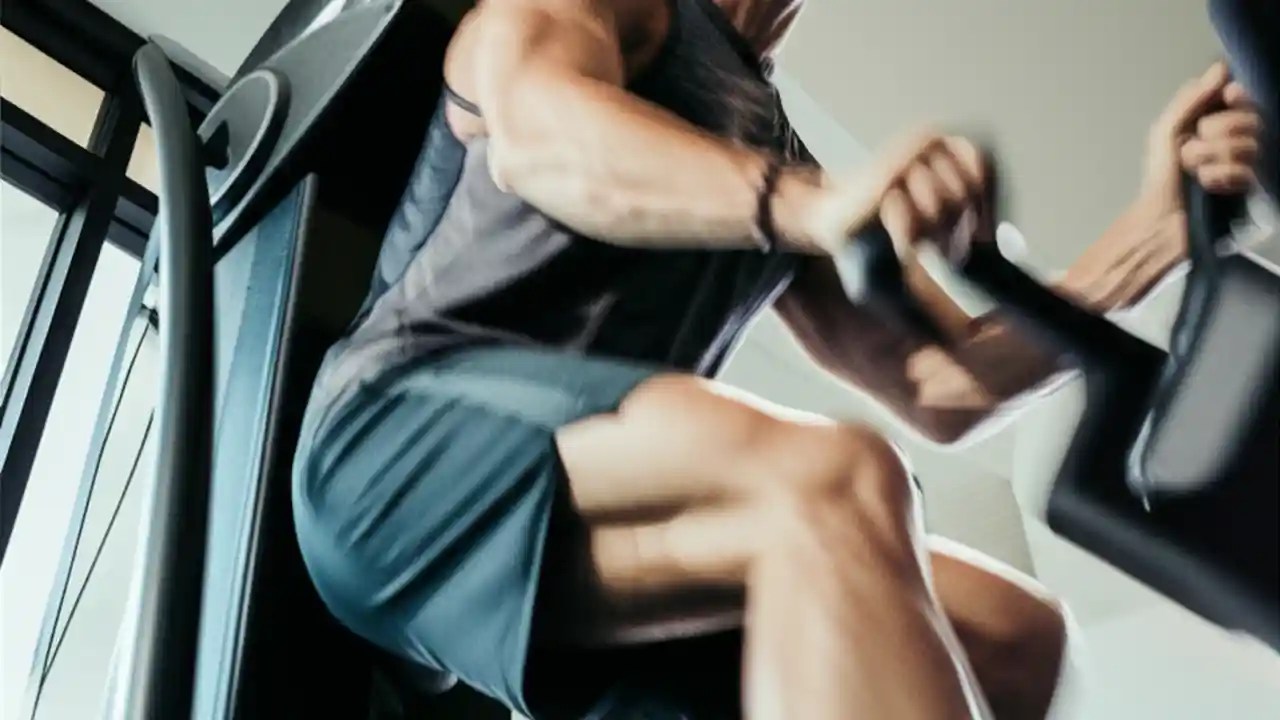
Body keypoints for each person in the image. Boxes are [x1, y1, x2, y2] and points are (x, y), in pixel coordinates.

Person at [290, 0, 1261, 717]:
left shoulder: (771, 142)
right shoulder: (587, 9)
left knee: (1014, 638)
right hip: (390, 453)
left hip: (558, 539)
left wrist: (1153, 232)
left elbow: (942, 384)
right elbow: (542, 141)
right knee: (832, 477)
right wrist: (811, 210)